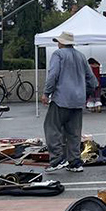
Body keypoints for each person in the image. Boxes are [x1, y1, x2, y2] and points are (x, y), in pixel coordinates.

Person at [41, 31, 97, 172]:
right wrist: (84, 94)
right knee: (74, 133)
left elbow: (53, 74)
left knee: (52, 128)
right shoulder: (81, 56)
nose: (57, 44)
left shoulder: (58, 55)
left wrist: (47, 93)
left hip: (61, 99)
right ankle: (75, 162)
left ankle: (57, 159)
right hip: (77, 101)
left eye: (58, 41)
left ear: (62, 43)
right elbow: (92, 80)